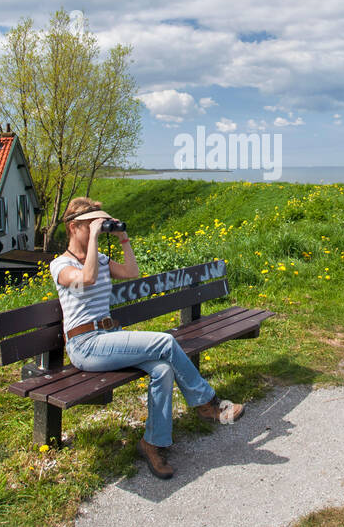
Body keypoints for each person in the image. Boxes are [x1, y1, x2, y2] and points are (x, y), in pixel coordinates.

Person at [49, 196, 244, 479]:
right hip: (85, 346)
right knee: (165, 342)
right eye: (88, 224)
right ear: (72, 227)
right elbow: (86, 278)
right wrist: (93, 238)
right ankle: (207, 404)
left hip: (109, 338)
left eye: (97, 223)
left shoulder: (102, 260)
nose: (95, 228)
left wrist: (124, 239)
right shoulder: (60, 265)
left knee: (163, 370)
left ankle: (152, 444)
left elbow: (132, 272)